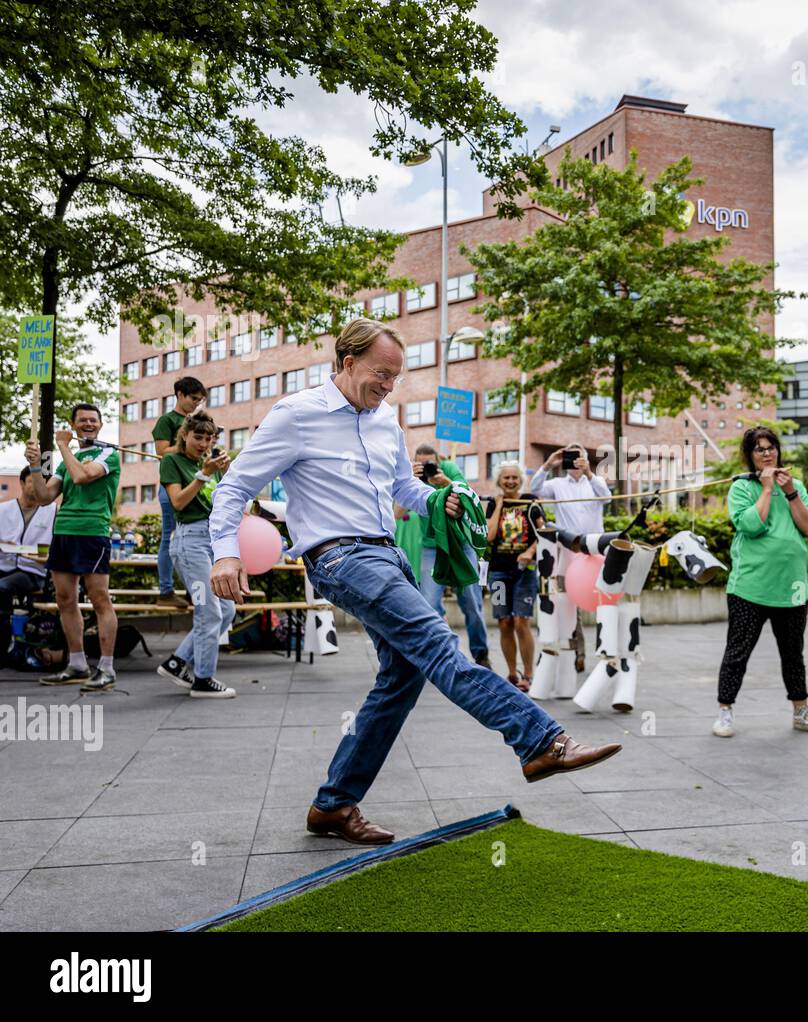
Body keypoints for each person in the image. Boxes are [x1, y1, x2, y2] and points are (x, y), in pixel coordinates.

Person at [208, 319, 620, 845]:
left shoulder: (385, 421)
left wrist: (439, 499)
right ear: (347, 361)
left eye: (396, 377)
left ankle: (333, 806)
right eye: (381, 373)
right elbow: (235, 485)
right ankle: (540, 740)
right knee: (437, 645)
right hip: (340, 557)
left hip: (389, 556)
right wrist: (225, 555)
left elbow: (404, 486)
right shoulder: (296, 415)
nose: (388, 386)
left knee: (401, 680)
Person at [712, 426, 808, 738]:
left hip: (791, 586)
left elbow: (807, 527)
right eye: (759, 449)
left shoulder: (797, 486)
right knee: (738, 651)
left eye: (771, 447)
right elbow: (751, 526)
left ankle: (801, 711)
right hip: (749, 587)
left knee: (793, 653)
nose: (767, 453)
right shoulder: (742, 488)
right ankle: (725, 711)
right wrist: (766, 489)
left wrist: (789, 491)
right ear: (750, 456)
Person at [23, 404, 121, 692]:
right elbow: (43, 497)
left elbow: (82, 477)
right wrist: (35, 466)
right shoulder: (69, 459)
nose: (88, 424)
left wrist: (63, 446)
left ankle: (106, 668)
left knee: (99, 598)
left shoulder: (108, 454)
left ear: (100, 425)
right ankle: (77, 664)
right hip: (63, 532)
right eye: (83, 420)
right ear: (74, 424)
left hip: (92, 532)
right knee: (65, 599)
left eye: (93, 420)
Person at [155, 410, 236, 698]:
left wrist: (223, 472)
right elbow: (177, 501)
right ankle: (203, 678)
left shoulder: (206, 463)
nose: (203, 443)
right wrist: (205, 474)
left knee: (226, 610)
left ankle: (178, 662)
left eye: (208, 438)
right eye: (197, 436)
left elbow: (225, 499)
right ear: (184, 435)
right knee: (208, 610)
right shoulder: (171, 461)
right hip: (190, 545)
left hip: (210, 542)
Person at [530, 444, 610, 671]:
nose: (575, 462)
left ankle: (606, 652)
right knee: (569, 604)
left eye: (580, 457)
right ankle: (577, 652)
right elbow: (535, 489)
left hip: (594, 552)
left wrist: (589, 473)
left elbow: (606, 498)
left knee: (603, 602)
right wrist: (549, 463)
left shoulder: (595, 482)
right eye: (571, 457)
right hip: (567, 552)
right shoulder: (556, 484)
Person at [411, 443, 491, 668]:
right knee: (429, 604)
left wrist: (444, 481)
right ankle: (445, 653)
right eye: (422, 464)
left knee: (471, 602)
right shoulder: (412, 478)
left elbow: (469, 497)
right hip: (431, 546)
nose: (427, 468)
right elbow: (398, 512)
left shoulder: (449, 468)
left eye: (430, 464)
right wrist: (411, 479)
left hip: (461, 543)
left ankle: (481, 653)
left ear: (439, 460)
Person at [483, 461, 547, 692]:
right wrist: (499, 506)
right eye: (506, 478)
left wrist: (530, 552)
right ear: (499, 481)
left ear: (520, 479)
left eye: (514, 477)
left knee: (521, 621)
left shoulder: (530, 501)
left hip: (525, 572)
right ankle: (511, 672)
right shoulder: (494, 504)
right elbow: (489, 537)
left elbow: (545, 533)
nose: (510, 481)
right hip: (498, 572)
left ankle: (528, 674)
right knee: (504, 622)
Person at [152, 376, 208, 609]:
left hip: (197, 482)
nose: (196, 403)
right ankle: (166, 591)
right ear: (180, 395)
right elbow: (162, 451)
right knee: (170, 536)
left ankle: (191, 590)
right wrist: (186, 442)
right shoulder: (167, 420)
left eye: (200, 400)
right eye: (193, 399)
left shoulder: (197, 419)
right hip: (173, 484)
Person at [0, 466, 56, 660]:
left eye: (41, 482)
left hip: (33, 571)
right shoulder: (3, 509)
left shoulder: (53, 511)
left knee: (1, 587)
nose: (36, 487)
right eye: (32, 481)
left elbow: (57, 544)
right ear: (22, 483)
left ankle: (4, 645)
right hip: (4, 565)